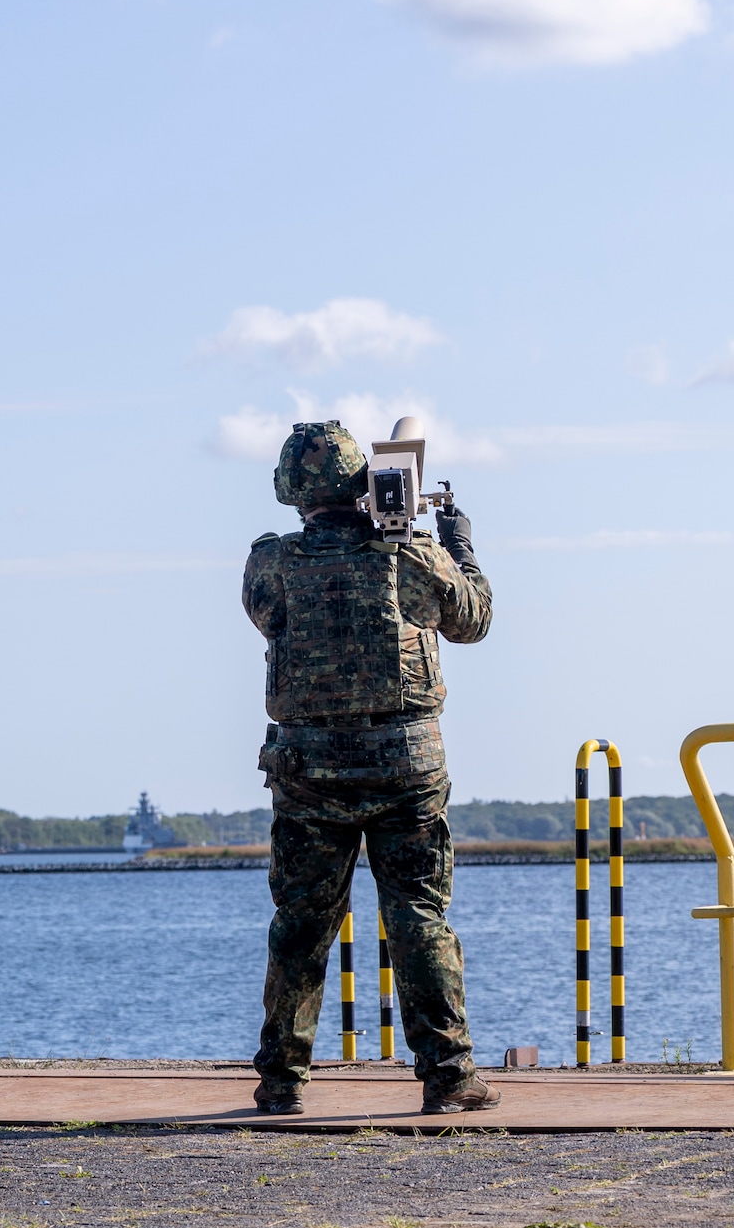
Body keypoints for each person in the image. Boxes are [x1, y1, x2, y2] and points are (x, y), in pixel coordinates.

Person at [242, 421, 497, 1116]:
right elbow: (474, 619)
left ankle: (283, 1079)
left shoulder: (271, 563)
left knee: (300, 921)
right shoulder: (411, 556)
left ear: (291, 491)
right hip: (405, 769)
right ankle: (447, 1075)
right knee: (419, 914)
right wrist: (456, 542)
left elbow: (267, 618)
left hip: (308, 770)